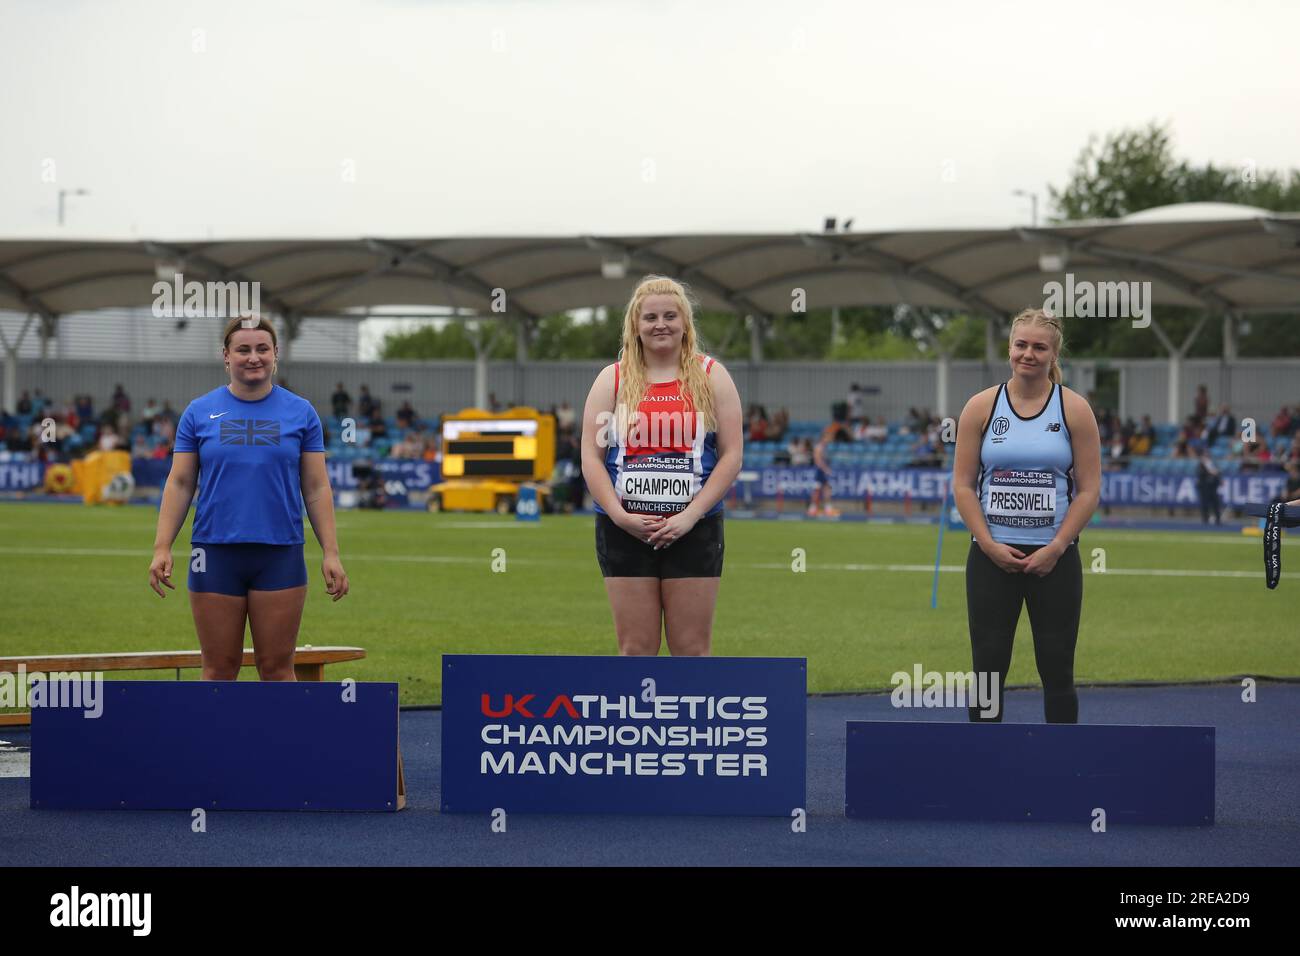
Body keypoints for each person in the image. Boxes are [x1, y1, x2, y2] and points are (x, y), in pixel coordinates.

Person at [148, 315, 349, 681]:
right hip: (213, 553)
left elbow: (317, 487)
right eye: (243, 349)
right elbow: (179, 482)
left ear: (276, 354)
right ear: (226, 356)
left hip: (280, 553)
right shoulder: (198, 412)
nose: (253, 356)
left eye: (262, 348)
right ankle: (213, 741)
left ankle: (283, 741)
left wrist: (331, 553)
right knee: (219, 670)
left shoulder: (301, 413)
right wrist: (163, 546)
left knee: (276, 669)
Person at [580, 275, 742, 656]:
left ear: (685, 322)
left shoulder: (712, 376)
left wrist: (690, 516)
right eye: (650, 317)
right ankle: (636, 719)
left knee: (692, 649)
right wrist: (621, 517)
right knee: (636, 648)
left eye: (670, 315)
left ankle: (691, 719)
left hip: (694, 529)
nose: (661, 325)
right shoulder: (613, 379)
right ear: (635, 325)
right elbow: (591, 455)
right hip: (624, 531)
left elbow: (732, 455)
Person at [952, 308, 1101, 724]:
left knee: (1057, 669)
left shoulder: (1074, 409)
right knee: (987, 669)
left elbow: (1089, 490)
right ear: (1009, 349)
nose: (1028, 354)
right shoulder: (981, 406)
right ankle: (984, 764)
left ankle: (1062, 767)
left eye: (1039, 347)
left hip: (1054, 559)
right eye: (1021, 345)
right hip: (990, 556)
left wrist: (1056, 548)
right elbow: (963, 485)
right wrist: (988, 543)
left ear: (1055, 355)